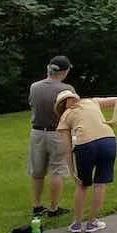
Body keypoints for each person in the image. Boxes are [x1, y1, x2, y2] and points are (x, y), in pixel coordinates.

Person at [54, 90, 117, 233]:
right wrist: (114, 119)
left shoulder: (65, 116)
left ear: (61, 105)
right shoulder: (92, 101)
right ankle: (92, 223)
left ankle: (77, 224)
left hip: (85, 146)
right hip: (108, 141)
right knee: (100, 184)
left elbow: (67, 149)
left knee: (82, 185)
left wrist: (72, 172)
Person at [28, 55, 75, 217]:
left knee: (37, 171)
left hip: (37, 132)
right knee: (57, 170)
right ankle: (54, 209)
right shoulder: (66, 89)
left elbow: (32, 105)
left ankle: (36, 206)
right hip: (57, 133)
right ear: (64, 71)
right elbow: (72, 112)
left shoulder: (34, 87)